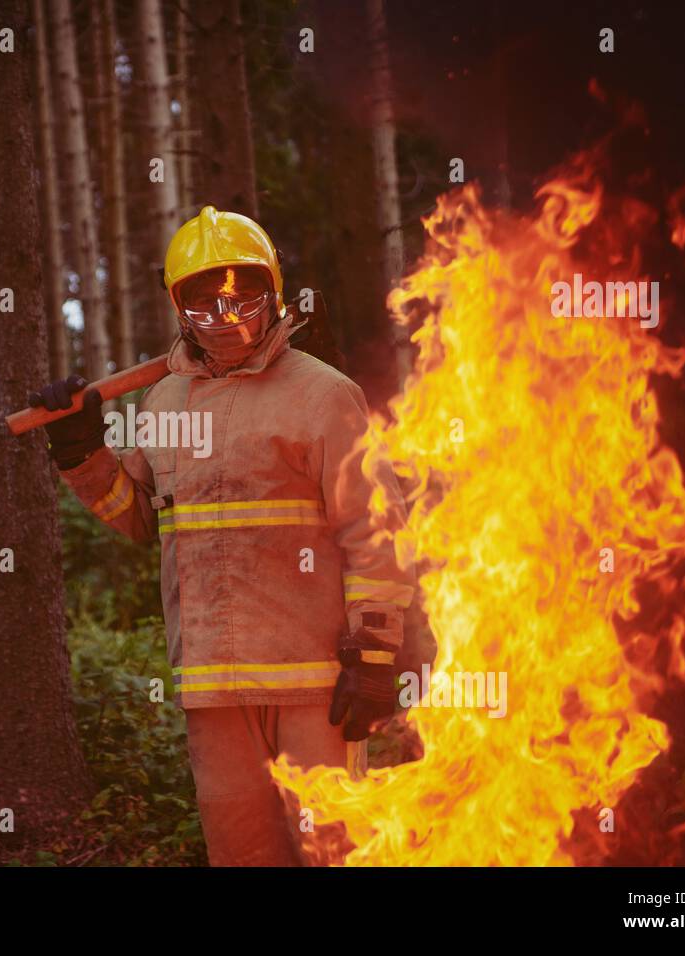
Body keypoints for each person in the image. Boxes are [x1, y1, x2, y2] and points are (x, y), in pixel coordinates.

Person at [29, 206, 416, 865]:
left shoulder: (325, 396)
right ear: (180, 308)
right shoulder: (164, 403)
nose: (225, 315)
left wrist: (376, 656)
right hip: (212, 691)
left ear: (274, 294)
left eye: (243, 296)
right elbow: (139, 515)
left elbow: (375, 531)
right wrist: (79, 450)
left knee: (335, 853)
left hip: (313, 684)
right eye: (204, 302)